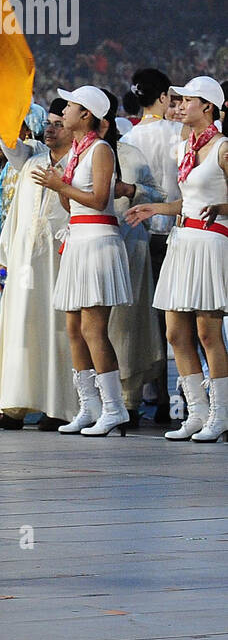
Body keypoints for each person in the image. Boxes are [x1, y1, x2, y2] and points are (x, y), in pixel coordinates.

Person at [127, 76, 228, 442]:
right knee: (174, 332)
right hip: (183, 238)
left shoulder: (222, 148)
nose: (179, 105)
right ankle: (197, 413)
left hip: (210, 242)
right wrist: (156, 207)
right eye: (179, 100)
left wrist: (222, 207)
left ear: (208, 106)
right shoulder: (186, 146)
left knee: (207, 332)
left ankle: (220, 415)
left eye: (188, 100)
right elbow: (187, 202)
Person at [32, 85, 132, 438]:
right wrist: (60, 187)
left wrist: (59, 184)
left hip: (98, 241)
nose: (65, 111)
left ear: (86, 115)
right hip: (78, 239)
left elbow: (100, 197)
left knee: (93, 329)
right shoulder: (77, 151)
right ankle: (88, 405)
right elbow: (70, 204)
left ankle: (114, 407)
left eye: (71, 106)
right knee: (73, 328)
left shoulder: (101, 149)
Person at [0, 100, 74, 429]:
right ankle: (12, 407)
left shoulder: (82, 162)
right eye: (48, 122)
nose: (50, 128)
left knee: (58, 329)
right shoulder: (32, 158)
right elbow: (15, 217)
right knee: (20, 327)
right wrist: (3, 260)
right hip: (23, 260)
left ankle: (58, 408)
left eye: (59, 123)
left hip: (60, 258)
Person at [120, 67, 184, 420]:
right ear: (163, 98)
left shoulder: (128, 138)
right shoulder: (178, 133)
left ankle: (149, 390)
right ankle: (172, 397)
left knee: (142, 315)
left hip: (137, 234)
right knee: (175, 315)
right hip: (175, 230)